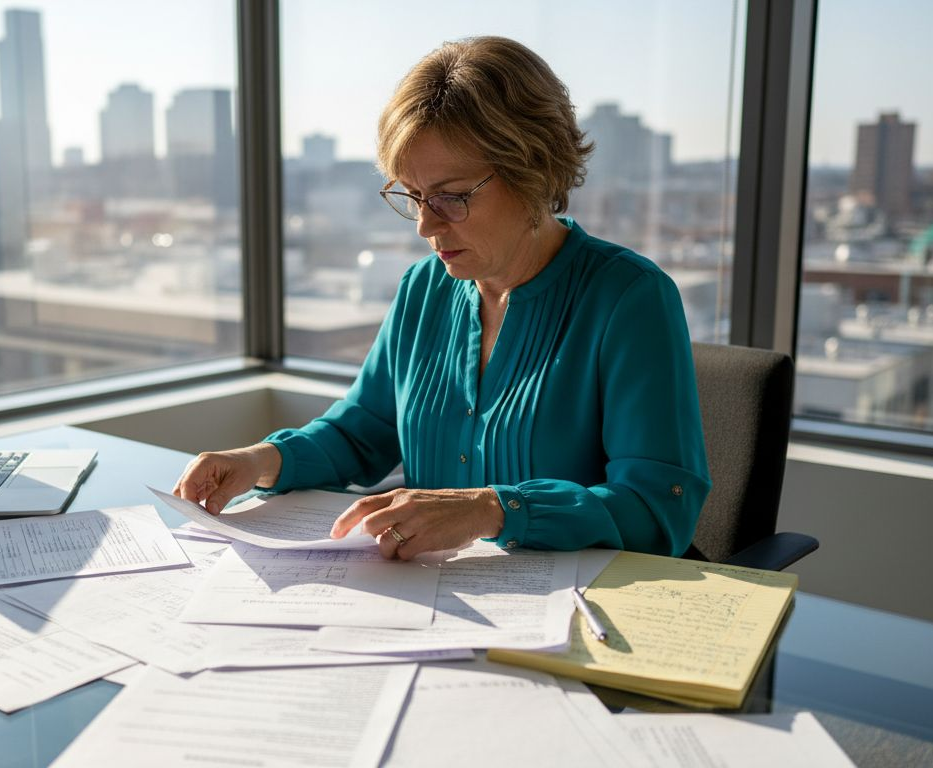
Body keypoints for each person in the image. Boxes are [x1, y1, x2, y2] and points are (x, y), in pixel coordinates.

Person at [173, 36, 710, 561]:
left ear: (534, 171)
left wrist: (491, 510)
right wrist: (260, 460)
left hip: (573, 623)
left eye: (452, 197)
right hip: (428, 607)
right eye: (412, 196)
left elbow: (659, 509)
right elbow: (362, 432)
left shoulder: (630, 299)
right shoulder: (424, 289)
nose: (425, 226)